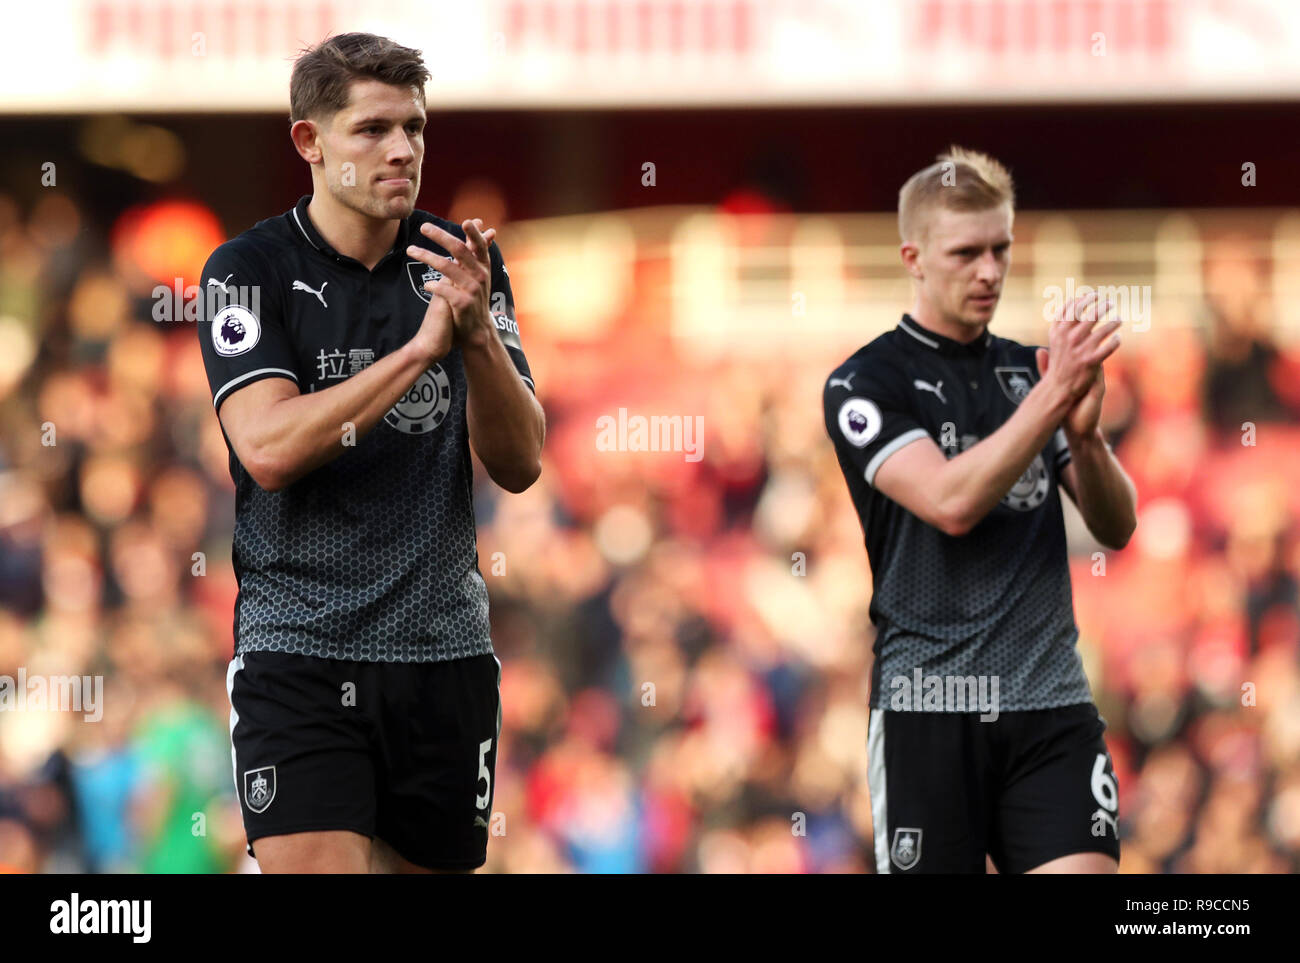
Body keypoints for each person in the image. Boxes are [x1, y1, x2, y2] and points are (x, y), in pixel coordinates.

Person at [197, 32, 545, 873]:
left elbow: (522, 461)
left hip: (444, 653)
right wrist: (421, 352)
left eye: (416, 127)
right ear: (309, 143)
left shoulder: (462, 265)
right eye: (373, 129)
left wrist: (477, 342)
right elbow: (268, 446)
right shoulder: (247, 271)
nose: (403, 149)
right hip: (299, 650)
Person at [823, 147, 1137, 873]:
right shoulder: (865, 382)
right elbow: (951, 502)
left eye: (1002, 249)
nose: (990, 271)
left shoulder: (1030, 374)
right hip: (928, 708)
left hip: (1049, 701)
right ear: (914, 256)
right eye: (967, 252)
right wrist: (1055, 399)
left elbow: (1117, 526)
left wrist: (1085, 440)